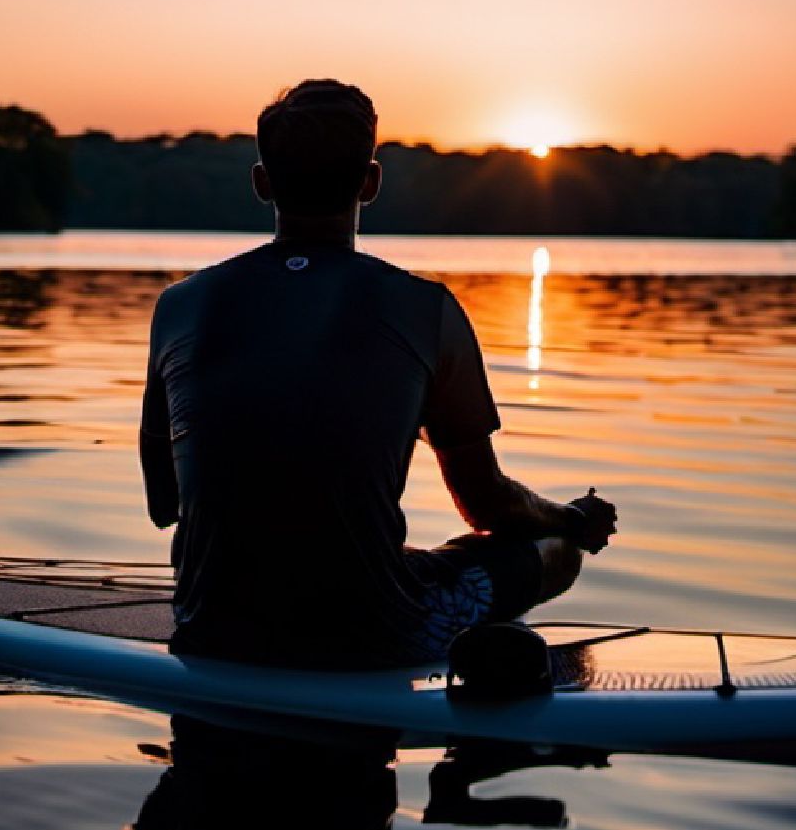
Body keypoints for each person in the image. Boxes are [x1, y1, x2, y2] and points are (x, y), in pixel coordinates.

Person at [140, 78, 617, 668]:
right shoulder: (426, 309)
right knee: (556, 549)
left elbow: (165, 501)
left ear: (262, 184)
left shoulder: (179, 305)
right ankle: (527, 684)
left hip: (210, 625)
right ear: (371, 182)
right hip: (373, 634)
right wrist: (572, 519)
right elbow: (487, 506)